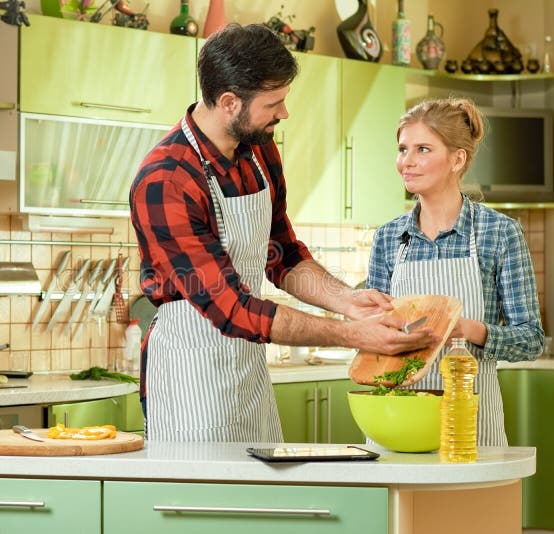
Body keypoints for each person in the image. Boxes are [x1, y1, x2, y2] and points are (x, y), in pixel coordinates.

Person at [129, 23, 434, 443]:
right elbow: (232, 310)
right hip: (189, 375)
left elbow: (283, 255)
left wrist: (347, 301)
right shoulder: (166, 179)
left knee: (264, 503)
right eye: (274, 103)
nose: (283, 114)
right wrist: (350, 335)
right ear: (230, 102)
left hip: (249, 367)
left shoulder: (260, 149)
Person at [367, 97, 545, 446]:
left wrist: (468, 330)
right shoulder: (389, 237)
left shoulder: (499, 233)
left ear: (457, 158)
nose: (407, 161)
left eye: (422, 149)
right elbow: (374, 337)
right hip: (398, 420)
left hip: (470, 425)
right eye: (403, 149)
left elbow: (531, 341)